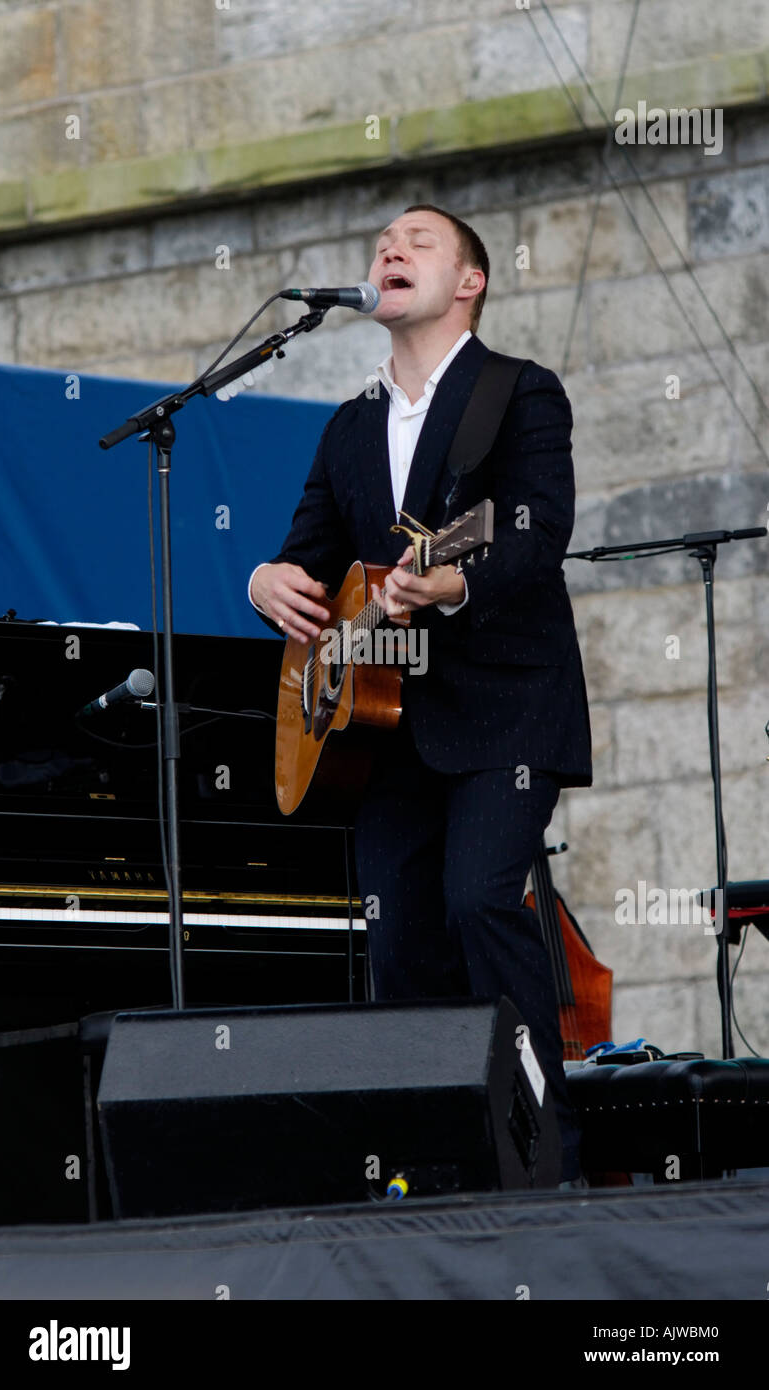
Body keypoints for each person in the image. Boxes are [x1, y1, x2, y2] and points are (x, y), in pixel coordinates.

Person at [249, 204, 592, 1182]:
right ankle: (440, 1175)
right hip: (383, 730)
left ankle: (546, 1165)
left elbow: (532, 531)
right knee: (396, 944)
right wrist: (261, 581)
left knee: (479, 901)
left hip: (501, 711)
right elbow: (305, 561)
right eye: (380, 244)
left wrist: (453, 578)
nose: (389, 251)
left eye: (418, 242)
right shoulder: (348, 427)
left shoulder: (518, 393)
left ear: (470, 281)